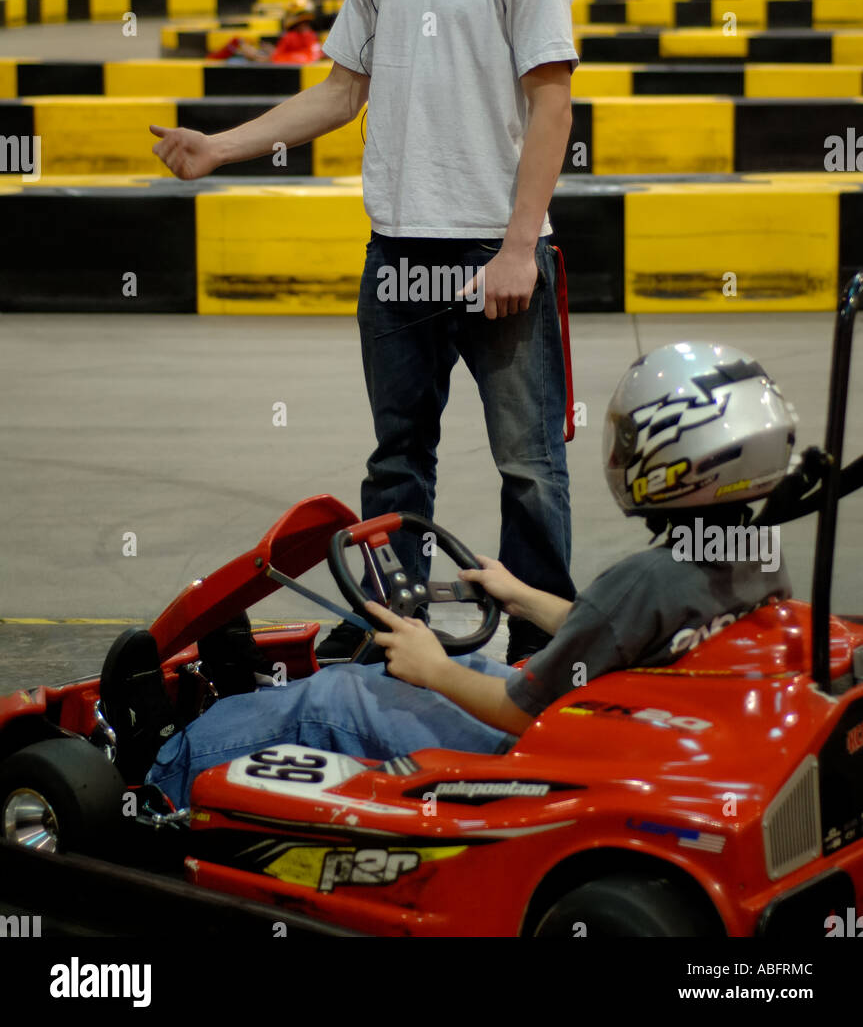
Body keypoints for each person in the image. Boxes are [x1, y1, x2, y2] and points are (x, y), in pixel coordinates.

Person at [150, 0, 580, 665]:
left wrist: (514, 247)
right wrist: (219, 147)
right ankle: (396, 629)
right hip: (397, 258)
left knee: (529, 468)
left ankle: (547, 656)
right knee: (397, 463)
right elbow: (340, 94)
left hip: (496, 258)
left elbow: (552, 104)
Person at [100, 342, 798, 810]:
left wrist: (433, 666)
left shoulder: (648, 576)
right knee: (376, 678)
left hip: (539, 754)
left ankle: (168, 760)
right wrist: (519, 594)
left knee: (343, 693)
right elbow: (617, 640)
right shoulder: (745, 560)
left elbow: (517, 706)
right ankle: (242, 706)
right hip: (615, 735)